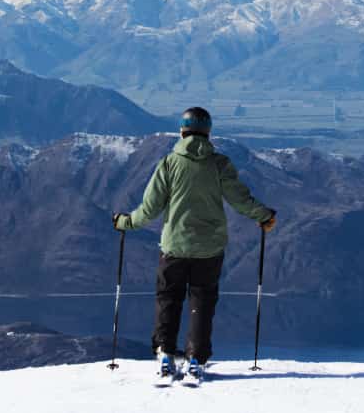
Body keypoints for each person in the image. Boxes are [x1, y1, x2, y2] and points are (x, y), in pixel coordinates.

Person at [113, 107, 276, 384]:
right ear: (208, 132)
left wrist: (125, 223)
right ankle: (196, 360)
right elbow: (240, 199)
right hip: (209, 249)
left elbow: (150, 209)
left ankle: (165, 354)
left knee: (169, 298)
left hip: (173, 247)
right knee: (202, 302)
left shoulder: (168, 163)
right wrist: (265, 216)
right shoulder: (219, 164)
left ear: (182, 131)